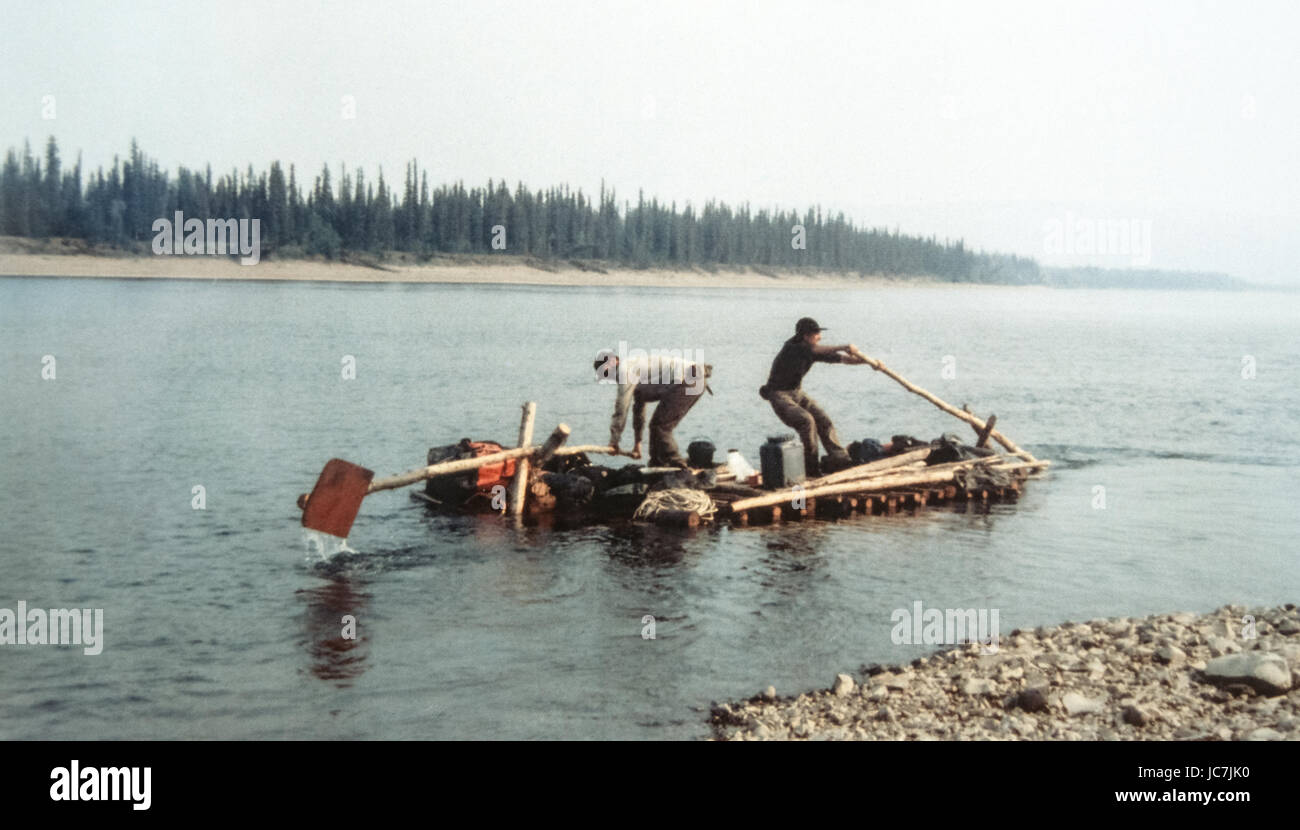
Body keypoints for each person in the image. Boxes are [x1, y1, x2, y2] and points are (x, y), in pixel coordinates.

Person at [759, 317, 867, 477]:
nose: (820, 337)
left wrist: (867, 363)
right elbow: (816, 351)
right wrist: (844, 346)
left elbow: (843, 359)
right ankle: (811, 468)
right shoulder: (792, 347)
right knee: (806, 421)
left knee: (823, 419)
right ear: (805, 336)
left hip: (796, 392)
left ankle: (839, 458)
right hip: (779, 394)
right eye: (816, 334)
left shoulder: (813, 350)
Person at [594, 349, 712, 468]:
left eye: (606, 372)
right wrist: (638, 443)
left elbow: (621, 409)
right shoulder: (634, 374)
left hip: (689, 380)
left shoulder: (625, 370)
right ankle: (657, 463)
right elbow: (638, 411)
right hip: (694, 380)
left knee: (661, 426)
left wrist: (614, 441)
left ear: (615, 361)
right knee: (656, 425)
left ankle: (676, 462)